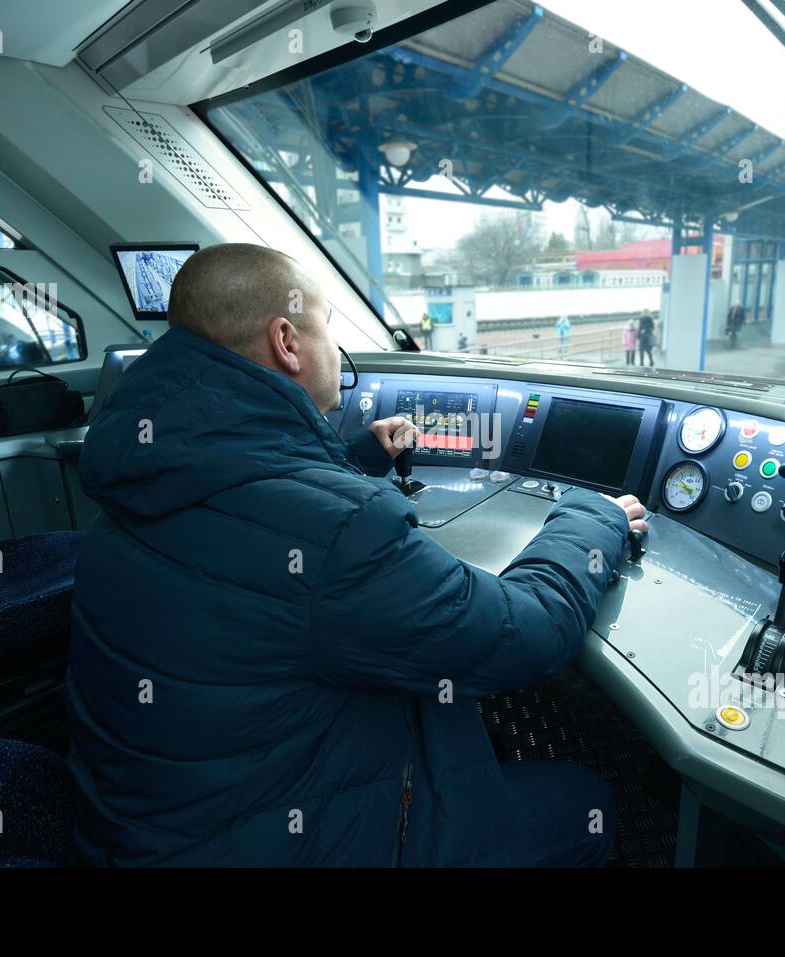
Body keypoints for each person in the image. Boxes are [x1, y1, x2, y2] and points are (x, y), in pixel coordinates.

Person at [67, 243, 647, 867]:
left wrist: (352, 467)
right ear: (287, 341)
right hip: (287, 843)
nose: (335, 357)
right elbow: (531, 633)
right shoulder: (342, 537)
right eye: (328, 333)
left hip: (139, 832)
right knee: (586, 805)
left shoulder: (139, 471)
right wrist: (596, 516)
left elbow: (251, 523)